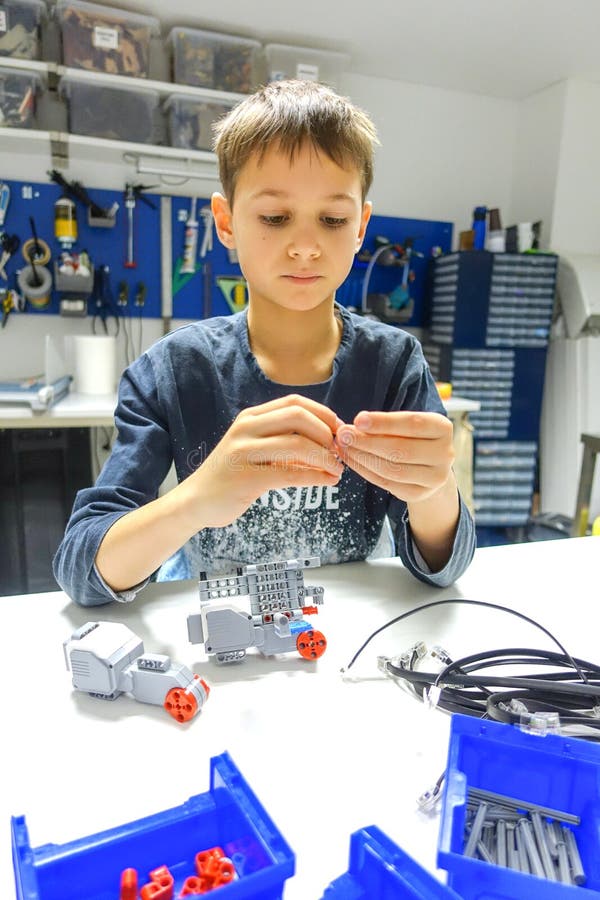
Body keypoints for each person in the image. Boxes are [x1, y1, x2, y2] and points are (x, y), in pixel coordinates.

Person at [53, 79, 475, 607]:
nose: (305, 247)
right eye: (275, 217)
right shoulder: (173, 370)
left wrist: (435, 489)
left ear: (361, 226)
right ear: (226, 222)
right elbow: (79, 567)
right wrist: (198, 500)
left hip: (345, 639)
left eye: (333, 219)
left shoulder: (392, 364)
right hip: (214, 631)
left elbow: (444, 571)